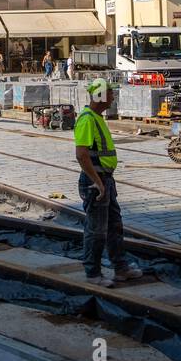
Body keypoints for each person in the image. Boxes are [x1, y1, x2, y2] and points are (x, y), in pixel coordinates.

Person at [73, 78, 142, 287]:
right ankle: (93, 273)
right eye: (110, 93)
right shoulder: (87, 119)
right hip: (96, 182)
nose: (113, 97)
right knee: (96, 229)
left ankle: (120, 268)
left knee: (114, 225)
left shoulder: (97, 117)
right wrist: (98, 183)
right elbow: (82, 155)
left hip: (105, 180)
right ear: (101, 95)